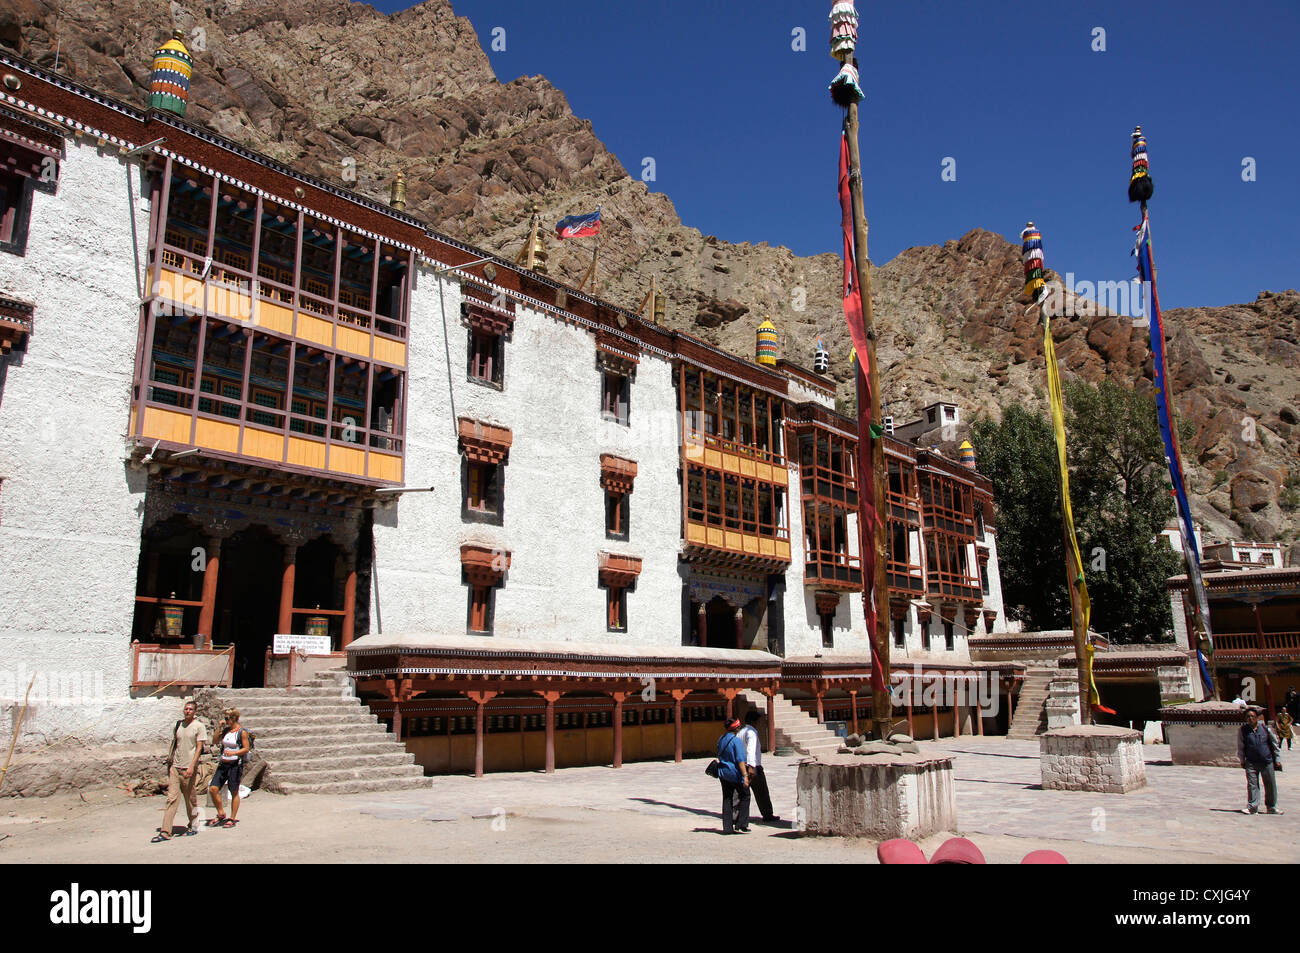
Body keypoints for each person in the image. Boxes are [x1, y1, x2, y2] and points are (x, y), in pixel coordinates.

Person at [153, 700, 206, 842]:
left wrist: (192, 766)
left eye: (190, 709)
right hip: (175, 767)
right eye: (186, 709)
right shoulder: (179, 725)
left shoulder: (199, 726)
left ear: (195, 712)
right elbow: (176, 745)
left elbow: (199, 748)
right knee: (171, 799)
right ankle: (165, 831)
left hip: (188, 767)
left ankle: (194, 824)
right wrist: (171, 765)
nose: (187, 711)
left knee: (190, 799)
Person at [207, 707, 251, 828]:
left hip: (234, 765)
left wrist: (234, 753)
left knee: (234, 791)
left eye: (227, 718)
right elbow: (215, 740)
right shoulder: (226, 731)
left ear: (234, 718)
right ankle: (221, 812)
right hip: (223, 764)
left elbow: (246, 748)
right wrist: (219, 728)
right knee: (213, 788)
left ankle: (232, 817)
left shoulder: (241, 732)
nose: (225, 720)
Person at [1237, 706, 1282, 815]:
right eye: (1247, 717)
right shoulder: (1243, 730)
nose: (1250, 719)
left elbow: (1274, 744)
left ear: (1257, 718)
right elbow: (1241, 746)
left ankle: (1271, 807)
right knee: (1252, 785)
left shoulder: (1266, 729)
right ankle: (1253, 807)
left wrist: (1277, 759)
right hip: (1251, 762)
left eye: (1252, 716)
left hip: (1266, 761)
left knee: (1270, 784)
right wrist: (1242, 760)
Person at [740, 710, 780, 823]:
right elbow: (751, 751)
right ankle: (767, 814)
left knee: (742, 793)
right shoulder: (751, 733)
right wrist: (752, 767)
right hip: (753, 766)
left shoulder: (741, 732)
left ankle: (738, 815)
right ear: (754, 721)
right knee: (761, 792)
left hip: (742, 765)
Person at [716, 717, 750, 834]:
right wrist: (745, 775)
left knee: (727, 798)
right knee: (745, 795)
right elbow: (740, 760)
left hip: (723, 772)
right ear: (736, 729)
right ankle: (741, 823)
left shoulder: (721, 739)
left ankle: (727, 827)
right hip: (734, 773)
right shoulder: (736, 741)